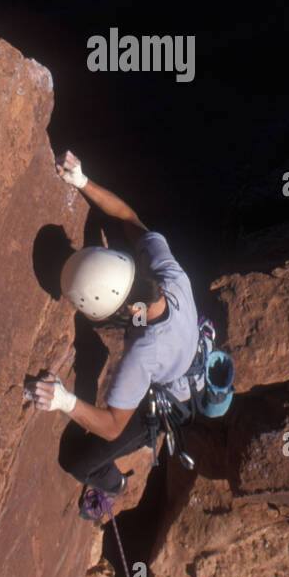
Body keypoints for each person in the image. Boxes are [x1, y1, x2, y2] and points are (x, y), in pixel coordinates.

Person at [33, 150, 201, 519]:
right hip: (185, 349)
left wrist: (64, 401)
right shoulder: (166, 272)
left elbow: (111, 427)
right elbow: (127, 217)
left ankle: (117, 485)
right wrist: (82, 181)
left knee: (77, 462)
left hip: (167, 396)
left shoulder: (144, 354)